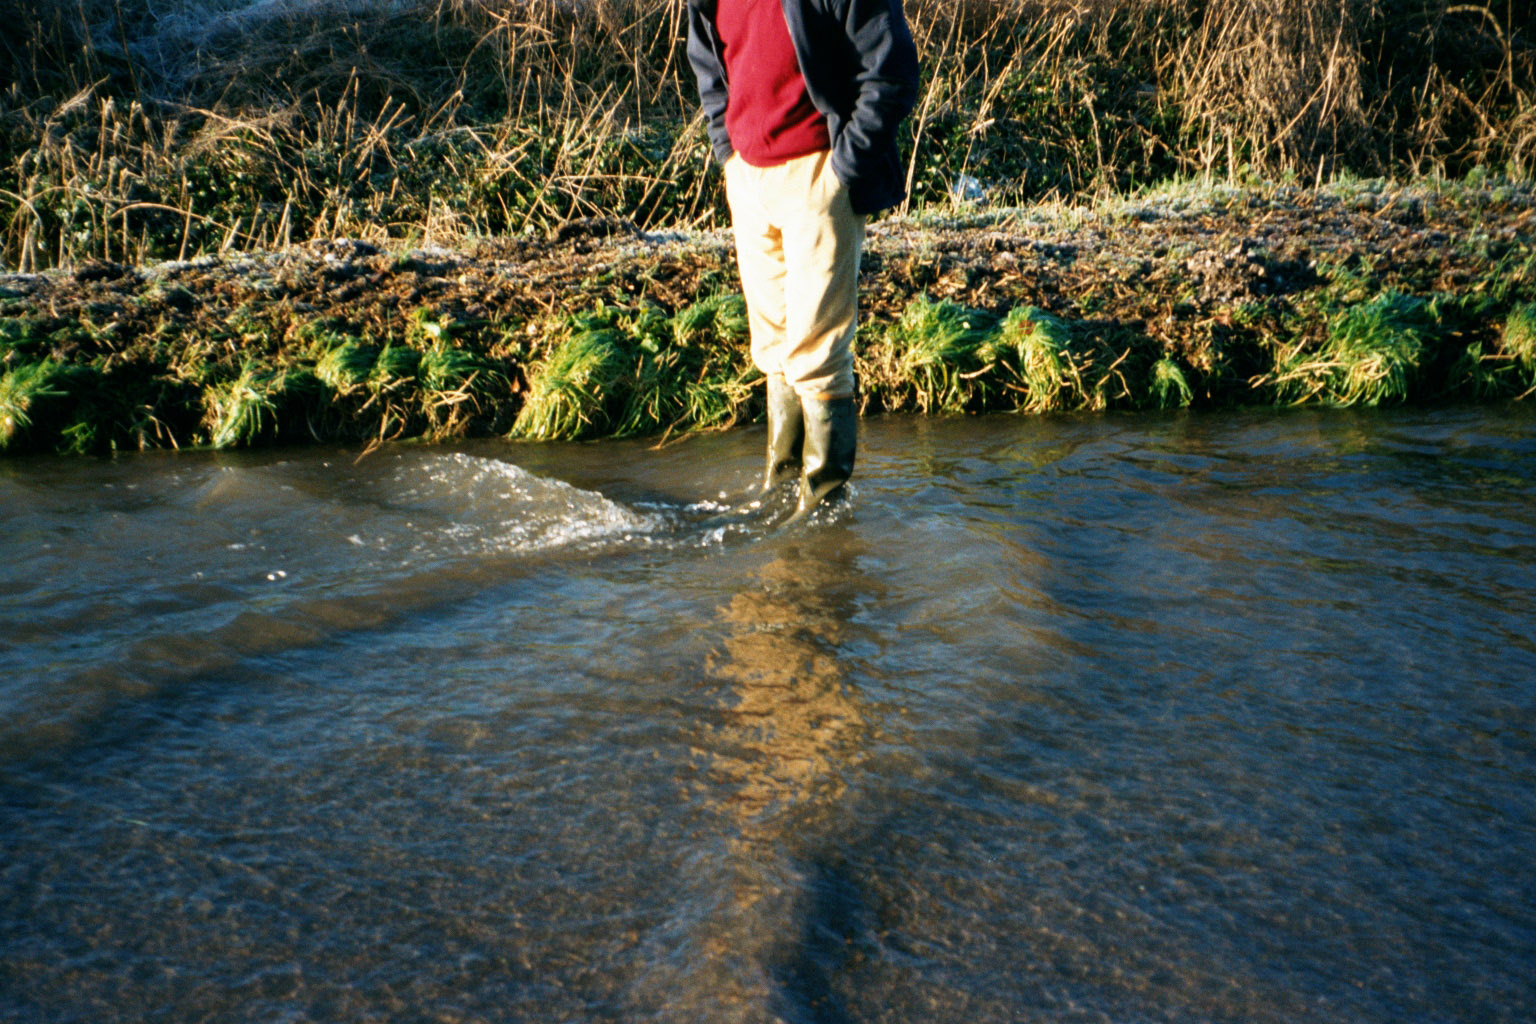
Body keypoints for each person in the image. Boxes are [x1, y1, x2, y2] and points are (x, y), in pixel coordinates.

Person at [686, 0, 920, 516]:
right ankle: (780, 491)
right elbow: (707, 58)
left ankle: (821, 509)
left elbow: (894, 68)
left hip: (818, 175)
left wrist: (843, 169)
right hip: (748, 177)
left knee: (818, 351)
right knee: (773, 344)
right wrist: (727, 152)